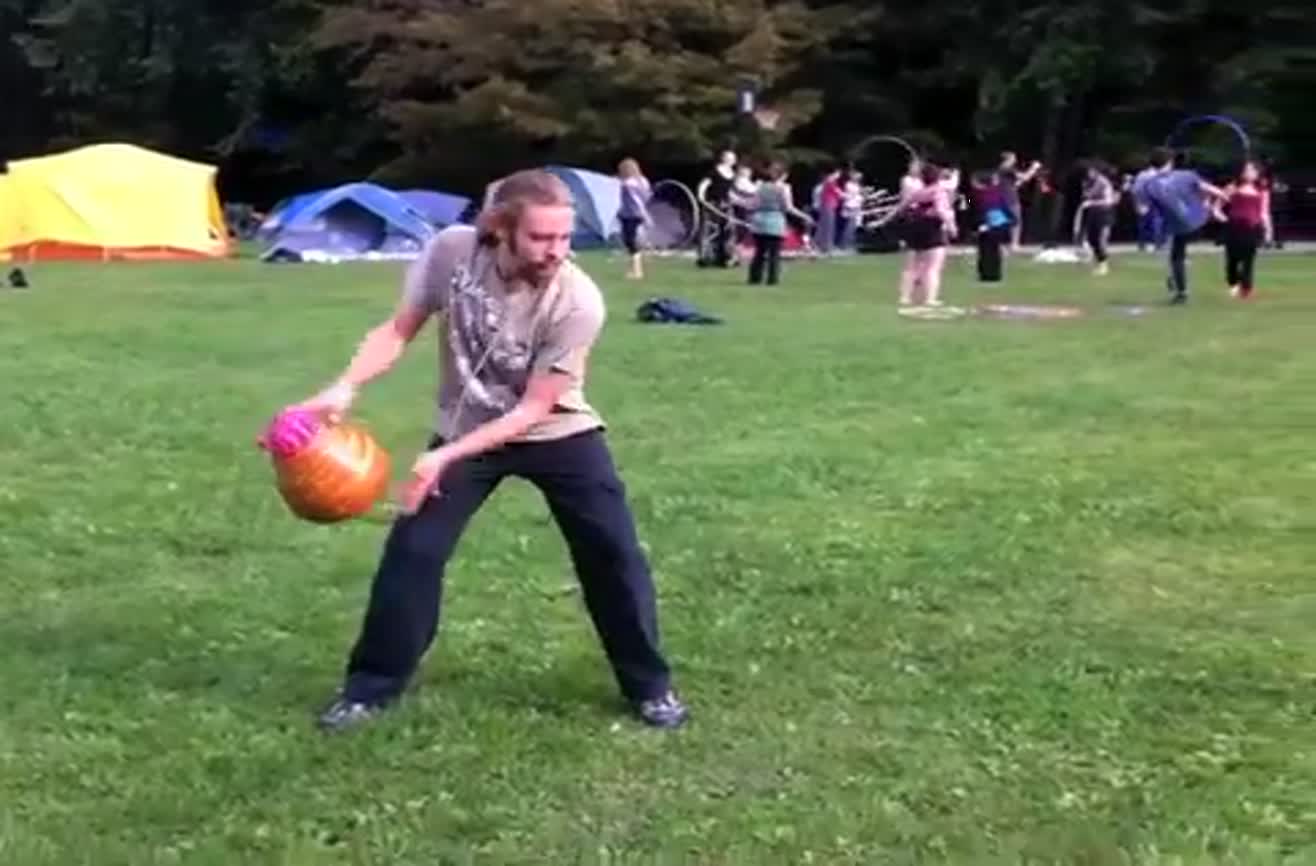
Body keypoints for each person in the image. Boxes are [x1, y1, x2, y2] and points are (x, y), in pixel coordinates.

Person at [294, 169, 689, 733]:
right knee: (415, 553)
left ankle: (650, 688)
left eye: (563, 237)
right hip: (465, 429)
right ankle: (369, 689)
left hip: (557, 433)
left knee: (613, 553)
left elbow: (533, 409)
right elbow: (399, 329)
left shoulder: (579, 301)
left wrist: (442, 458)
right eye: (541, 238)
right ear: (500, 230)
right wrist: (345, 385)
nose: (557, 251)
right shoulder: (452, 252)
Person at [1133, 147, 1229, 305]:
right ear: (1170, 162)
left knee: (1176, 257)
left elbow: (1142, 211)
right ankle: (1177, 279)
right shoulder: (1186, 175)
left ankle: (1181, 290)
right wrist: (1215, 204)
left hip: (1178, 227)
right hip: (1200, 220)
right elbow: (1212, 190)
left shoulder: (1148, 185)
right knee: (1177, 254)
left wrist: (1137, 197)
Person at [737, 160, 813, 286]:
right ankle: (772, 279)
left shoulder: (761, 187)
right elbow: (788, 207)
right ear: (784, 175)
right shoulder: (784, 188)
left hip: (759, 221)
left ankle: (754, 278)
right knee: (774, 253)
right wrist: (805, 216)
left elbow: (753, 204)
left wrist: (738, 200)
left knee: (759, 252)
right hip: (775, 221)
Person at [893, 162, 958, 307]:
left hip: (915, 227)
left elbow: (903, 206)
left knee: (911, 266)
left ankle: (904, 297)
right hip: (932, 228)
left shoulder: (919, 192)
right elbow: (941, 210)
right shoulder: (938, 191)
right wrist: (951, 226)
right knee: (933, 267)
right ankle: (930, 299)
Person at [1215, 159, 1271, 299]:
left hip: (1252, 228)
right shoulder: (1232, 188)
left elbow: (1264, 212)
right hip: (1233, 228)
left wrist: (1268, 230)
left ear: (1257, 173)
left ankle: (1246, 289)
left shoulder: (1262, 191)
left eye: (1251, 170)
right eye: (1245, 170)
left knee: (1248, 260)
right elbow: (1216, 208)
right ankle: (1234, 284)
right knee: (1232, 260)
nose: (1247, 173)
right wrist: (1225, 220)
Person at [696, 149, 737, 268]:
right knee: (711, 230)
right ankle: (707, 257)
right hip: (713, 204)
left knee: (728, 231)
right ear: (723, 158)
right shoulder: (714, 171)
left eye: (733, 159)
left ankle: (726, 257)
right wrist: (701, 196)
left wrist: (740, 201)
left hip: (726, 205)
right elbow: (704, 184)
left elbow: (729, 191)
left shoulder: (732, 173)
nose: (732, 160)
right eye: (729, 158)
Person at [1077, 160, 1118, 276]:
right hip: (1093, 213)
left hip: (1104, 213)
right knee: (1091, 238)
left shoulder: (1103, 182)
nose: (1089, 173)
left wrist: (1092, 202)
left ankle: (1103, 265)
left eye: (1091, 171)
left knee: (1100, 239)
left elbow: (1108, 201)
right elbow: (1086, 195)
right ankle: (1099, 261)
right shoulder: (1087, 182)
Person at [971, 170, 1012, 282]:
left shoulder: (979, 194)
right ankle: (995, 274)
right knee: (994, 250)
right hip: (1000, 224)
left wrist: (978, 226)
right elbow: (1005, 207)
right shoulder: (998, 192)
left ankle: (985, 274)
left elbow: (979, 210)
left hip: (987, 224)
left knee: (985, 250)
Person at [998, 151, 1042, 251]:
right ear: (1008, 159)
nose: (1015, 160)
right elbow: (1025, 178)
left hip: (1005, 196)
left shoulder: (1003, 169)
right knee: (1016, 221)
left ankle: (1009, 243)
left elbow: (1016, 183)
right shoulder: (1007, 168)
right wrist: (1033, 168)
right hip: (1009, 198)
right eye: (1013, 158)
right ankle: (1014, 244)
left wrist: (1029, 174)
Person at [617, 158, 652, 280]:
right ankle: (635, 270)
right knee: (634, 243)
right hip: (639, 214)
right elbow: (647, 197)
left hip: (630, 215)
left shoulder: (627, 184)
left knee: (631, 243)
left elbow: (634, 200)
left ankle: (636, 271)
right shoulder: (643, 181)